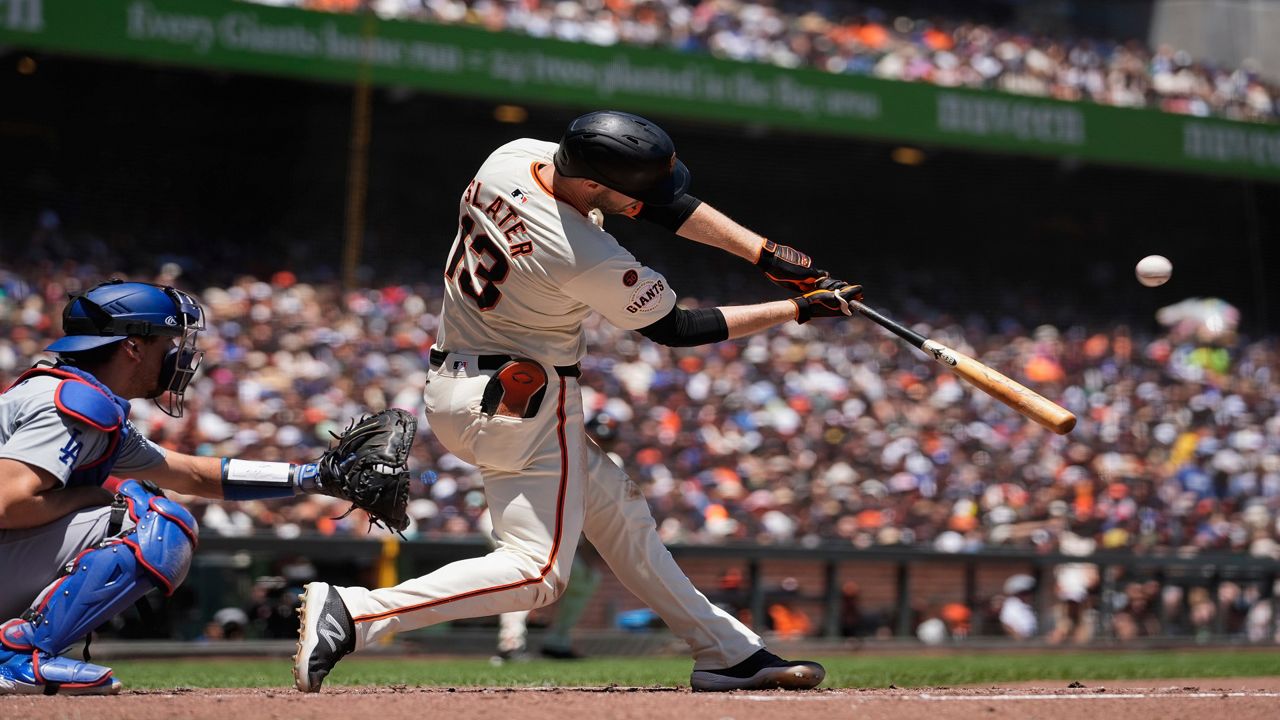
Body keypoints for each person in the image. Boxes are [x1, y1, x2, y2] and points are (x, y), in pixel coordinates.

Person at [295, 110, 862, 692]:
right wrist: (797, 309)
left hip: (463, 385)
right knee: (535, 573)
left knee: (621, 515)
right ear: (593, 183)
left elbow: (662, 206)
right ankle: (356, 614)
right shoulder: (581, 251)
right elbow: (678, 328)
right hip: (526, 400)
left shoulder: (512, 156)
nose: (648, 199)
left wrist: (765, 254)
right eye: (633, 189)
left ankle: (728, 652)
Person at [0, 279, 400, 695]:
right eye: (166, 342)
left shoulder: (76, 395)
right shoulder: (72, 402)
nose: (176, 354)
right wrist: (91, 495)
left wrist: (312, 478)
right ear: (133, 348)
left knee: (143, 510)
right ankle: (14, 657)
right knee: (156, 523)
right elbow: (8, 503)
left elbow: (189, 473)